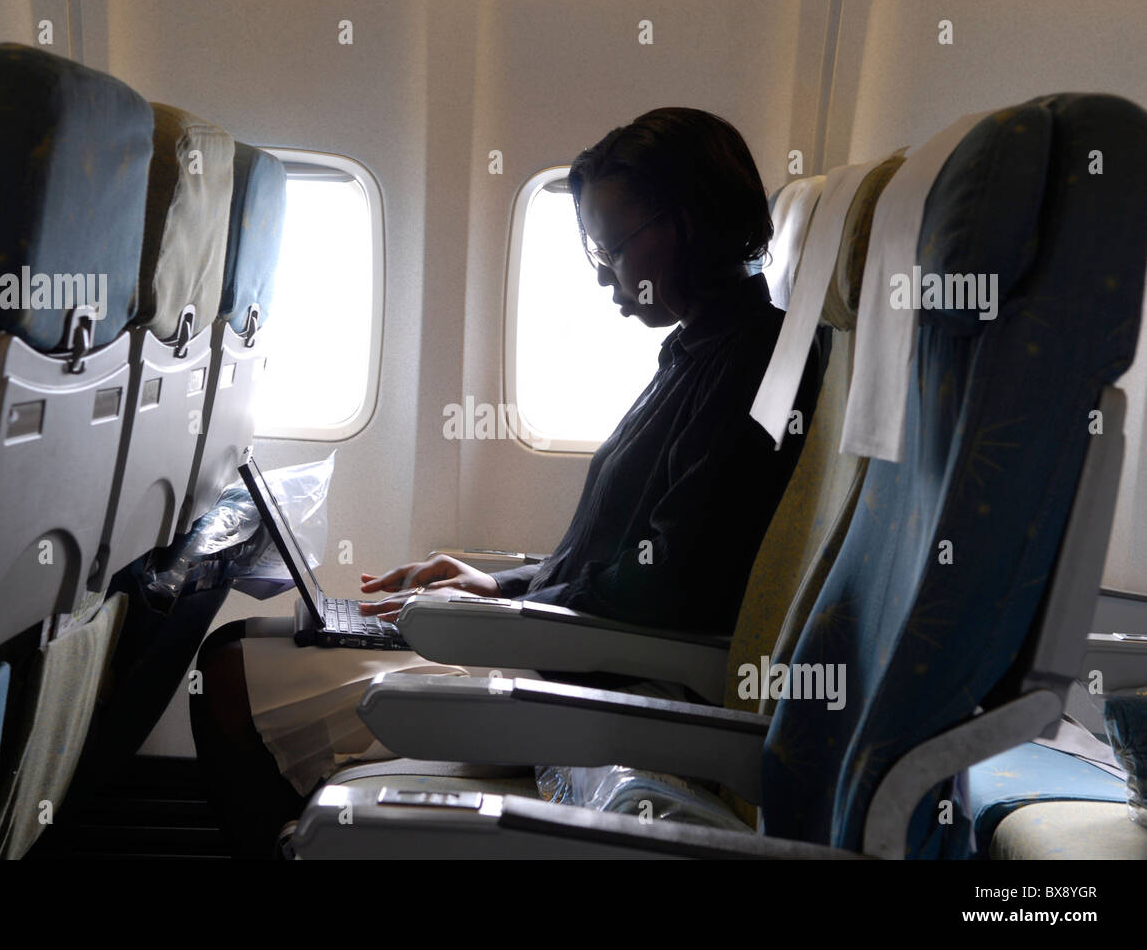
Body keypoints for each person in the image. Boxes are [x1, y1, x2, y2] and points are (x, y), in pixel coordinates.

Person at [191, 107, 825, 857]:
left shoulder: (753, 362)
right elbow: (618, 557)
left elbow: (675, 585)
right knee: (248, 645)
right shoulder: (699, 350)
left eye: (613, 245)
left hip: (596, 673)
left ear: (687, 223)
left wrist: (507, 611)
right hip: (563, 641)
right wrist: (498, 586)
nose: (601, 271)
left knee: (231, 670)